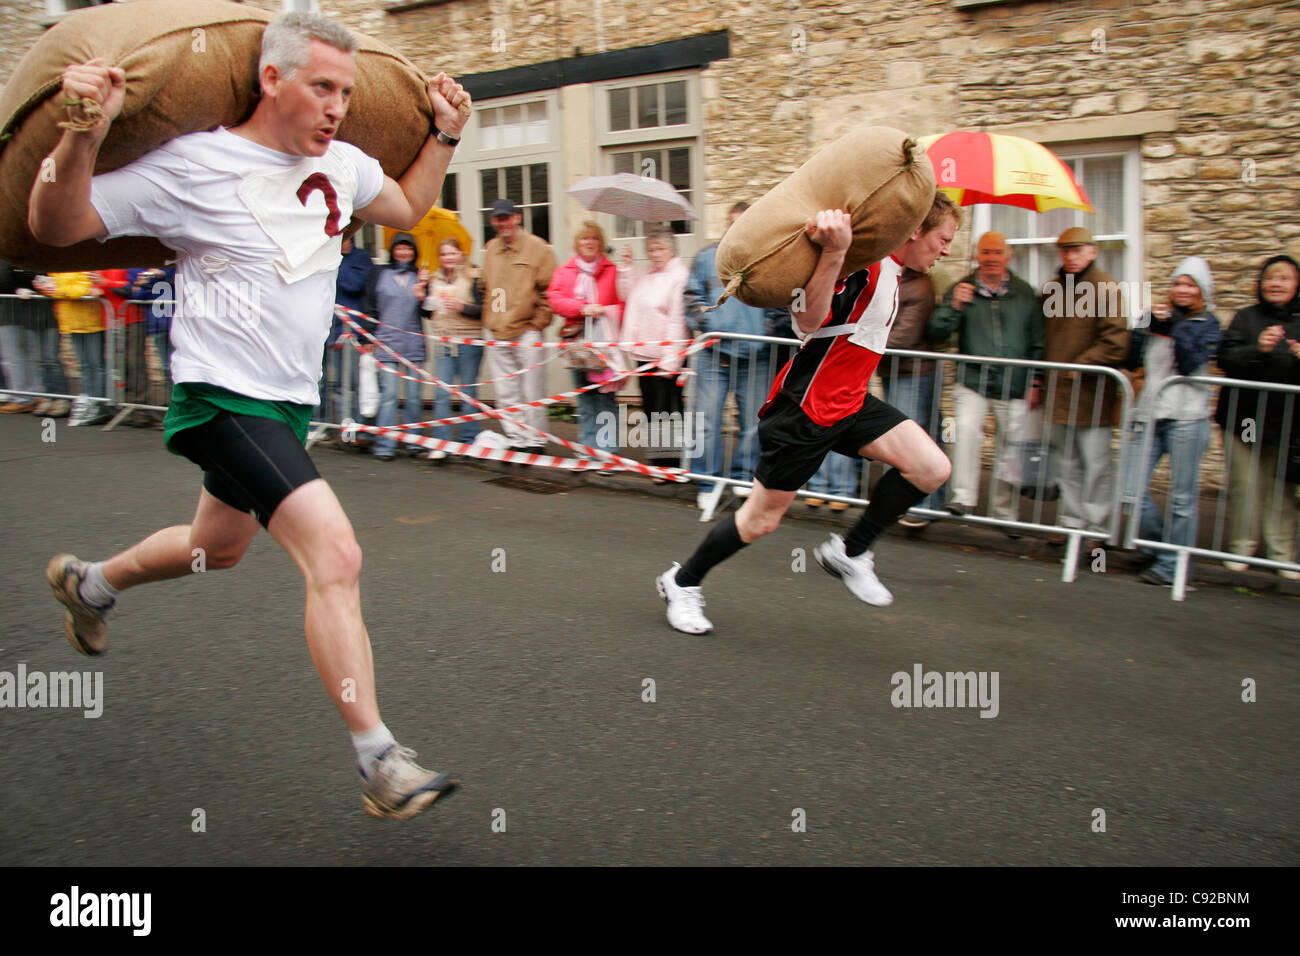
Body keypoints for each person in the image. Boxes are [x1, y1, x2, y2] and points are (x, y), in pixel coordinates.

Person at [30, 12, 471, 818]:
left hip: (289, 402)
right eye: (321, 87)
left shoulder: (343, 164)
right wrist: (80, 134)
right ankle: (379, 760)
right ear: (272, 79)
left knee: (216, 548)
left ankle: (93, 586)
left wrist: (442, 136)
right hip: (219, 397)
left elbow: (407, 208)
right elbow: (54, 225)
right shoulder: (195, 165)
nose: (338, 106)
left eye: (346, 89)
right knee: (334, 554)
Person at [656, 195, 959, 634]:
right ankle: (682, 582)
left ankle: (849, 552)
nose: (947, 248)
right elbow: (806, 321)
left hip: (851, 402)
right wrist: (834, 252)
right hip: (805, 409)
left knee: (931, 468)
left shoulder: (899, 273)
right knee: (761, 520)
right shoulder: (865, 265)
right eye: (944, 238)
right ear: (915, 231)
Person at [928, 231, 1043, 527]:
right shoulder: (961, 288)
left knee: (1012, 446)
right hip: (973, 379)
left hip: (1014, 382)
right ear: (978, 256)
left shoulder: (1025, 293)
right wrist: (954, 307)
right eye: (986, 252)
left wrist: (1036, 381)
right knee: (965, 431)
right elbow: (937, 330)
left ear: (1008, 256)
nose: (991, 258)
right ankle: (962, 498)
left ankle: (1006, 514)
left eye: (997, 252)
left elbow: (1037, 340)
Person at [1122, 257, 1222, 586]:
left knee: (1182, 498)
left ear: (1202, 291)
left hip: (1187, 418)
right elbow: (1131, 357)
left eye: (1190, 285)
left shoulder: (1208, 324)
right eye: (1178, 283)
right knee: (1129, 490)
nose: (1182, 289)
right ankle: (1161, 544)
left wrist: (1175, 326)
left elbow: (1191, 363)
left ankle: (1170, 566)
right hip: (1150, 413)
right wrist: (1143, 328)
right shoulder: (1159, 320)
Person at [1038, 227, 1129, 547]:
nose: (1071, 256)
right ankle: (1071, 522)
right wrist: (1040, 378)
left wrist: (1083, 364)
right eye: (1065, 250)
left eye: (1077, 250)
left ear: (1092, 252)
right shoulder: (1052, 289)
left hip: (1091, 391)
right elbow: (1043, 338)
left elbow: (1117, 342)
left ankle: (1096, 526)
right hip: (1058, 390)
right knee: (1066, 461)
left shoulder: (1106, 288)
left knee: (1096, 463)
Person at [1214, 254, 1300, 579]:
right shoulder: (1246, 318)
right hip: (1244, 420)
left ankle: (1282, 555)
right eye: (1269, 278)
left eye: (1284, 278)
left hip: (1289, 423)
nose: (1275, 284)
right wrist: (1257, 350)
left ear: (1296, 284)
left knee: (1281, 490)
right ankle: (1241, 549)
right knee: (1245, 485)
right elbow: (1225, 358)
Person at [685, 201, 769, 507]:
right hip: (714, 353)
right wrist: (710, 324)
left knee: (754, 422)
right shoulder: (707, 257)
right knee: (706, 420)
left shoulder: (769, 258)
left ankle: (744, 477)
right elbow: (691, 298)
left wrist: (765, 332)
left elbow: (780, 306)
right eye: (733, 223)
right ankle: (708, 482)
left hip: (755, 355)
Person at [480, 198, 557, 456]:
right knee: (506, 390)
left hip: (527, 331)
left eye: (507, 218)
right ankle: (517, 438)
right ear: (493, 222)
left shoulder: (538, 248)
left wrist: (537, 324)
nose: (503, 223)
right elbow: (490, 287)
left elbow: (550, 290)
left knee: (532, 389)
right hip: (498, 330)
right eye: (498, 219)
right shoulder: (491, 249)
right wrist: (495, 318)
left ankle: (535, 440)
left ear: (517, 218)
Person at [546, 222, 623, 469]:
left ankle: (608, 453)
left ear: (600, 243)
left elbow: (623, 302)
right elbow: (555, 299)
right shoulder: (565, 270)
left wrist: (604, 312)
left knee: (606, 399)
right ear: (576, 244)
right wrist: (581, 307)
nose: (589, 243)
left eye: (594, 238)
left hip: (606, 344)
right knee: (586, 398)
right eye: (584, 239)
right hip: (578, 343)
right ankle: (588, 451)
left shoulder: (613, 270)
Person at [878, 264, 948, 526]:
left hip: (913, 372)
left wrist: (866, 340)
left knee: (910, 440)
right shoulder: (891, 280)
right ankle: (929, 503)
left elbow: (903, 338)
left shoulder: (919, 285)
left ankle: (919, 506)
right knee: (925, 435)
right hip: (895, 370)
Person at [619, 227, 690, 478]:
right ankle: (660, 460)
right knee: (651, 409)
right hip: (644, 353)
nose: (655, 254)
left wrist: (671, 361)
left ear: (672, 250)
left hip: (665, 356)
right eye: (651, 249)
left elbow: (677, 320)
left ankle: (671, 464)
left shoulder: (680, 276)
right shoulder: (647, 273)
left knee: (667, 411)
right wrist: (627, 268)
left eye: (660, 249)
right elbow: (627, 296)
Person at [419, 236, 486, 459]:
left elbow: (485, 310)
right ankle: (441, 443)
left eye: (452, 253)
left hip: (468, 341)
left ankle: (468, 441)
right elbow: (428, 312)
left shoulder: (474, 276)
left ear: (461, 254)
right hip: (443, 341)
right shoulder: (434, 279)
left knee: (467, 393)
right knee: (441, 394)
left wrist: (462, 307)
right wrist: (421, 297)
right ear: (440, 257)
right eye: (444, 254)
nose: (448, 258)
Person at [363, 232, 427, 461]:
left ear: (414, 252)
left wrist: (423, 293)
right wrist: (367, 337)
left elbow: (429, 311)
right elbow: (369, 306)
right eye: (399, 248)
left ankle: (414, 442)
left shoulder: (421, 275)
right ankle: (384, 445)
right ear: (392, 250)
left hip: (413, 342)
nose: (404, 252)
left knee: (413, 397)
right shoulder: (378, 273)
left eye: (408, 248)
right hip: (386, 341)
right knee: (388, 395)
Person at [47, 271, 109, 426]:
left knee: (96, 365)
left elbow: (89, 286)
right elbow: (49, 286)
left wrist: (63, 291)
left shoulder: (85, 264)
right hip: (71, 320)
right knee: (84, 365)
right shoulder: (60, 267)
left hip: (90, 319)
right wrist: (69, 290)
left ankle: (99, 403)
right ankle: (89, 399)